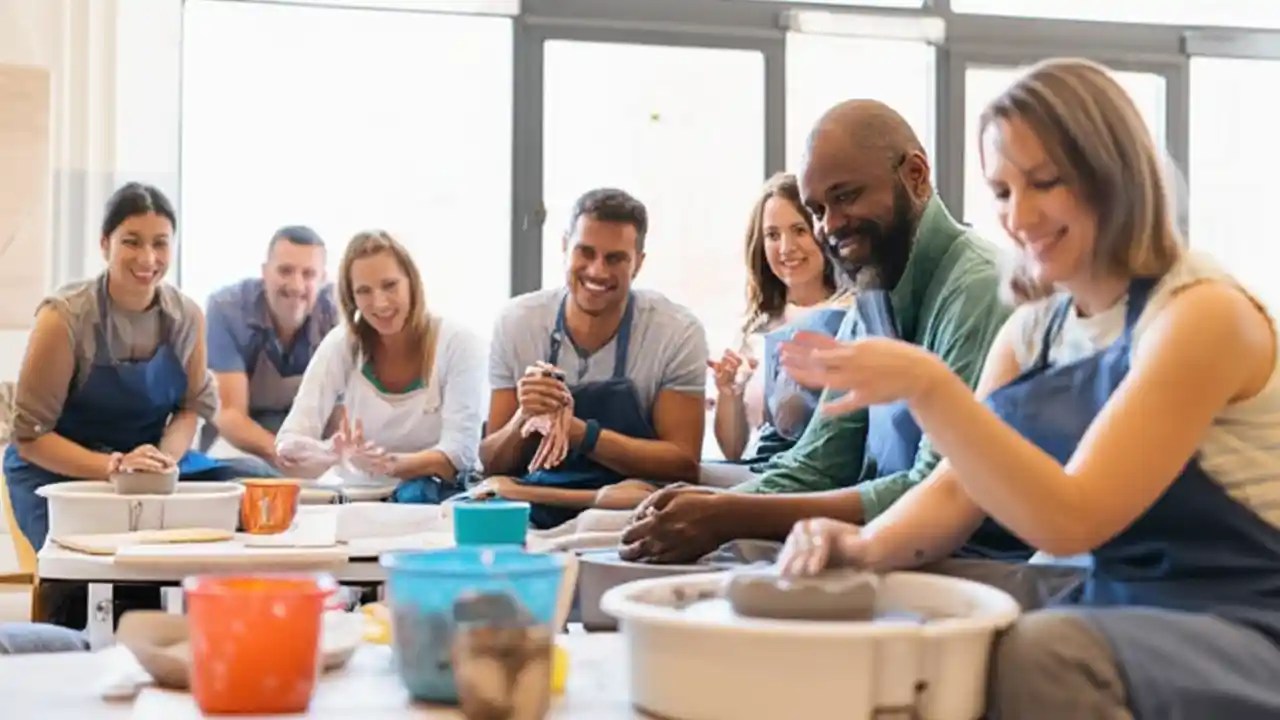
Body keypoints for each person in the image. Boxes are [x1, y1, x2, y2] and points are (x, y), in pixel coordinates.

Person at [777, 58, 1280, 719]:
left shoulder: (1201, 315)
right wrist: (856, 552)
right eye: (1004, 192)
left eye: (1044, 183)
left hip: (1243, 619)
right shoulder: (1034, 330)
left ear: (1115, 176)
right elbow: (958, 487)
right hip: (1115, 603)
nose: (1021, 216)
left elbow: (1075, 518)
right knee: (917, 630)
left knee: (1044, 654)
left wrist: (930, 386)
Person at [620, 101, 1018, 564]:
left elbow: (932, 492)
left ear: (915, 174)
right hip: (894, 553)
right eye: (817, 209)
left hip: (979, 565)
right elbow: (819, 462)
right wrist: (711, 507)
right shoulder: (873, 295)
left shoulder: (979, 289)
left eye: (846, 197)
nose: (829, 226)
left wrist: (730, 514)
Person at [3, 182, 235, 552]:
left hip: (148, 467)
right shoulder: (64, 318)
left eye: (160, 243)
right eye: (131, 241)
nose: (147, 258)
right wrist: (115, 466)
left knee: (254, 484)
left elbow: (190, 408)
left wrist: (162, 462)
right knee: (83, 566)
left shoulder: (187, 317)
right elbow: (30, 437)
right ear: (104, 244)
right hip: (62, 471)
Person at [477, 188, 708, 529]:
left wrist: (583, 435)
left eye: (616, 259)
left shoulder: (677, 332)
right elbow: (492, 462)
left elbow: (683, 463)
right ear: (564, 246)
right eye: (585, 252)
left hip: (627, 514)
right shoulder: (517, 323)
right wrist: (521, 420)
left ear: (639, 263)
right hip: (534, 502)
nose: (597, 271)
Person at [273, 230, 485, 503]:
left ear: (412, 283)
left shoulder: (459, 344)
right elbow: (288, 443)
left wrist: (385, 464)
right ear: (352, 298)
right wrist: (331, 453)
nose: (380, 302)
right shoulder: (342, 344)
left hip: (438, 500)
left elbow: (460, 454)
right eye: (364, 291)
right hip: (358, 500)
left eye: (390, 286)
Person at [705, 172, 849, 473]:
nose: (786, 248)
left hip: (809, 476)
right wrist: (729, 395)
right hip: (757, 471)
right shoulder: (756, 326)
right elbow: (733, 451)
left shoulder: (847, 315)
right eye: (773, 235)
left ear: (821, 232)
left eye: (799, 230)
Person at [202, 225, 339, 477]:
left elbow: (340, 413)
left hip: (309, 446)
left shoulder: (335, 319)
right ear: (265, 272)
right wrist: (281, 453)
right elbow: (228, 413)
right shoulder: (227, 309)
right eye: (285, 271)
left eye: (308, 274)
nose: (296, 285)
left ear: (322, 280)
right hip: (240, 444)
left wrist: (328, 455)